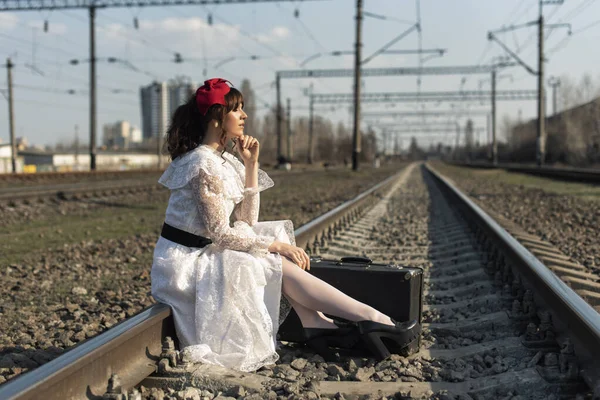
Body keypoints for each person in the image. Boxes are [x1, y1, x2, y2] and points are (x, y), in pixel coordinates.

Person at [151, 78, 416, 372]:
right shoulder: (201, 164)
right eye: (237, 110)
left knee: (266, 251)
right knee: (268, 256)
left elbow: (246, 222)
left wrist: (251, 165)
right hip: (184, 263)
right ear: (216, 117)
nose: (245, 116)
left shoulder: (222, 161)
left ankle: (321, 321)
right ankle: (364, 318)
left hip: (206, 250)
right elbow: (221, 234)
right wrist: (275, 246)